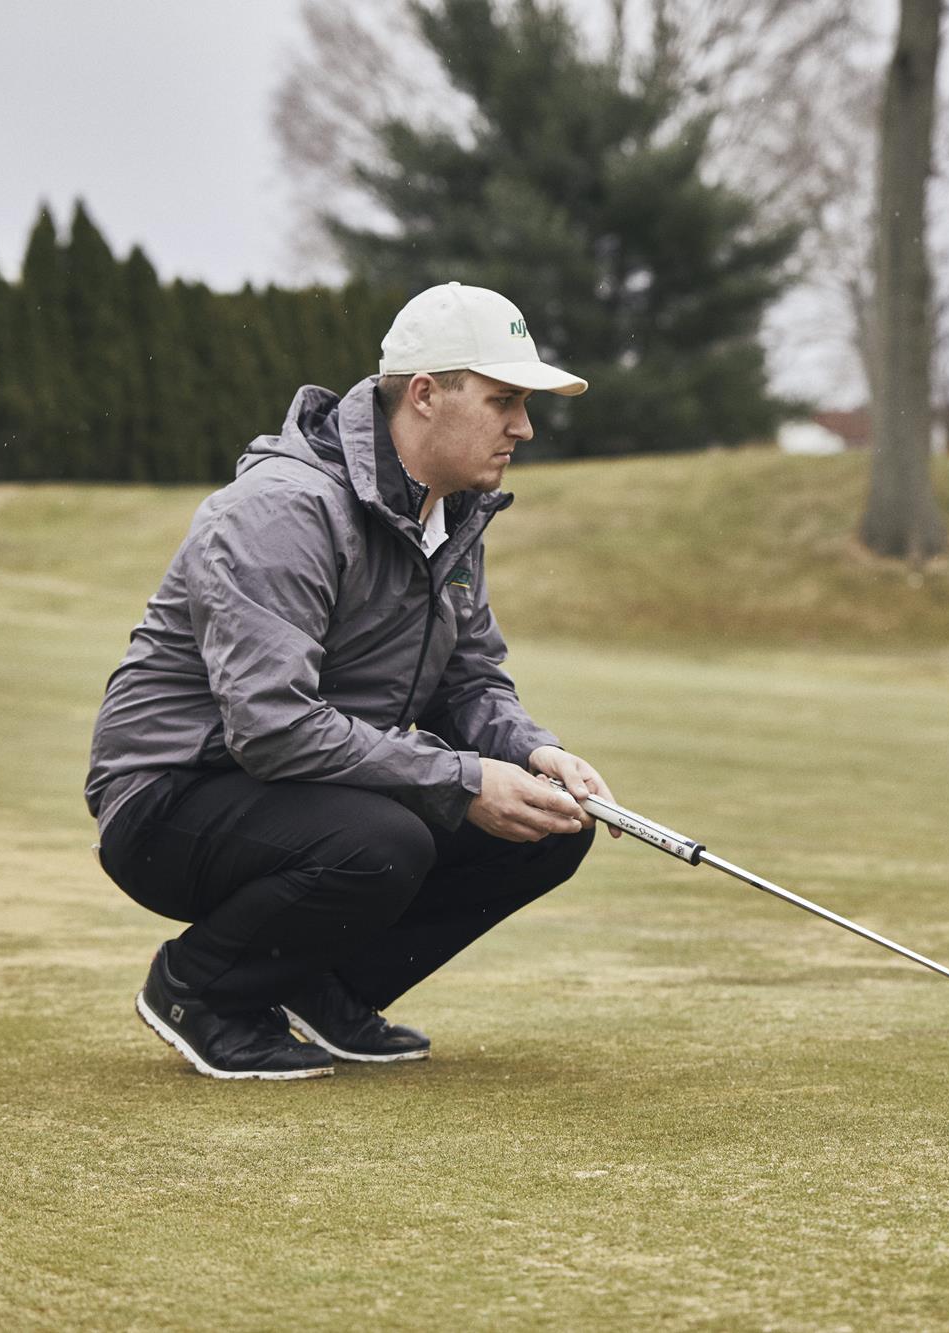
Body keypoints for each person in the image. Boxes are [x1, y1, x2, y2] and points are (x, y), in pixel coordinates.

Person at [85, 281, 616, 1082]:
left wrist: (534, 752)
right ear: (426, 394)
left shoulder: (452, 513)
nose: (524, 427)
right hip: (171, 798)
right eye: (504, 400)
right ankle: (203, 991)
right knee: (384, 840)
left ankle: (321, 988)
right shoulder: (283, 509)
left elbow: (470, 681)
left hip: (307, 793)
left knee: (548, 824)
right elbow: (271, 726)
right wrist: (465, 777)